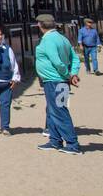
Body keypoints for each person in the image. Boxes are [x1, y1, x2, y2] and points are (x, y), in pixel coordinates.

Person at [35, 14, 82, 155]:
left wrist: (67, 75)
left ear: (40, 25)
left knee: (59, 111)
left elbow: (57, 62)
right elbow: (74, 58)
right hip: (57, 80)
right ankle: (55, 140)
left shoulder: (48, 40)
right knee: (52, 111)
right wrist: (73, 73)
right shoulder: (62, 38)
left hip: (55, 80)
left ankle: (72, 143)